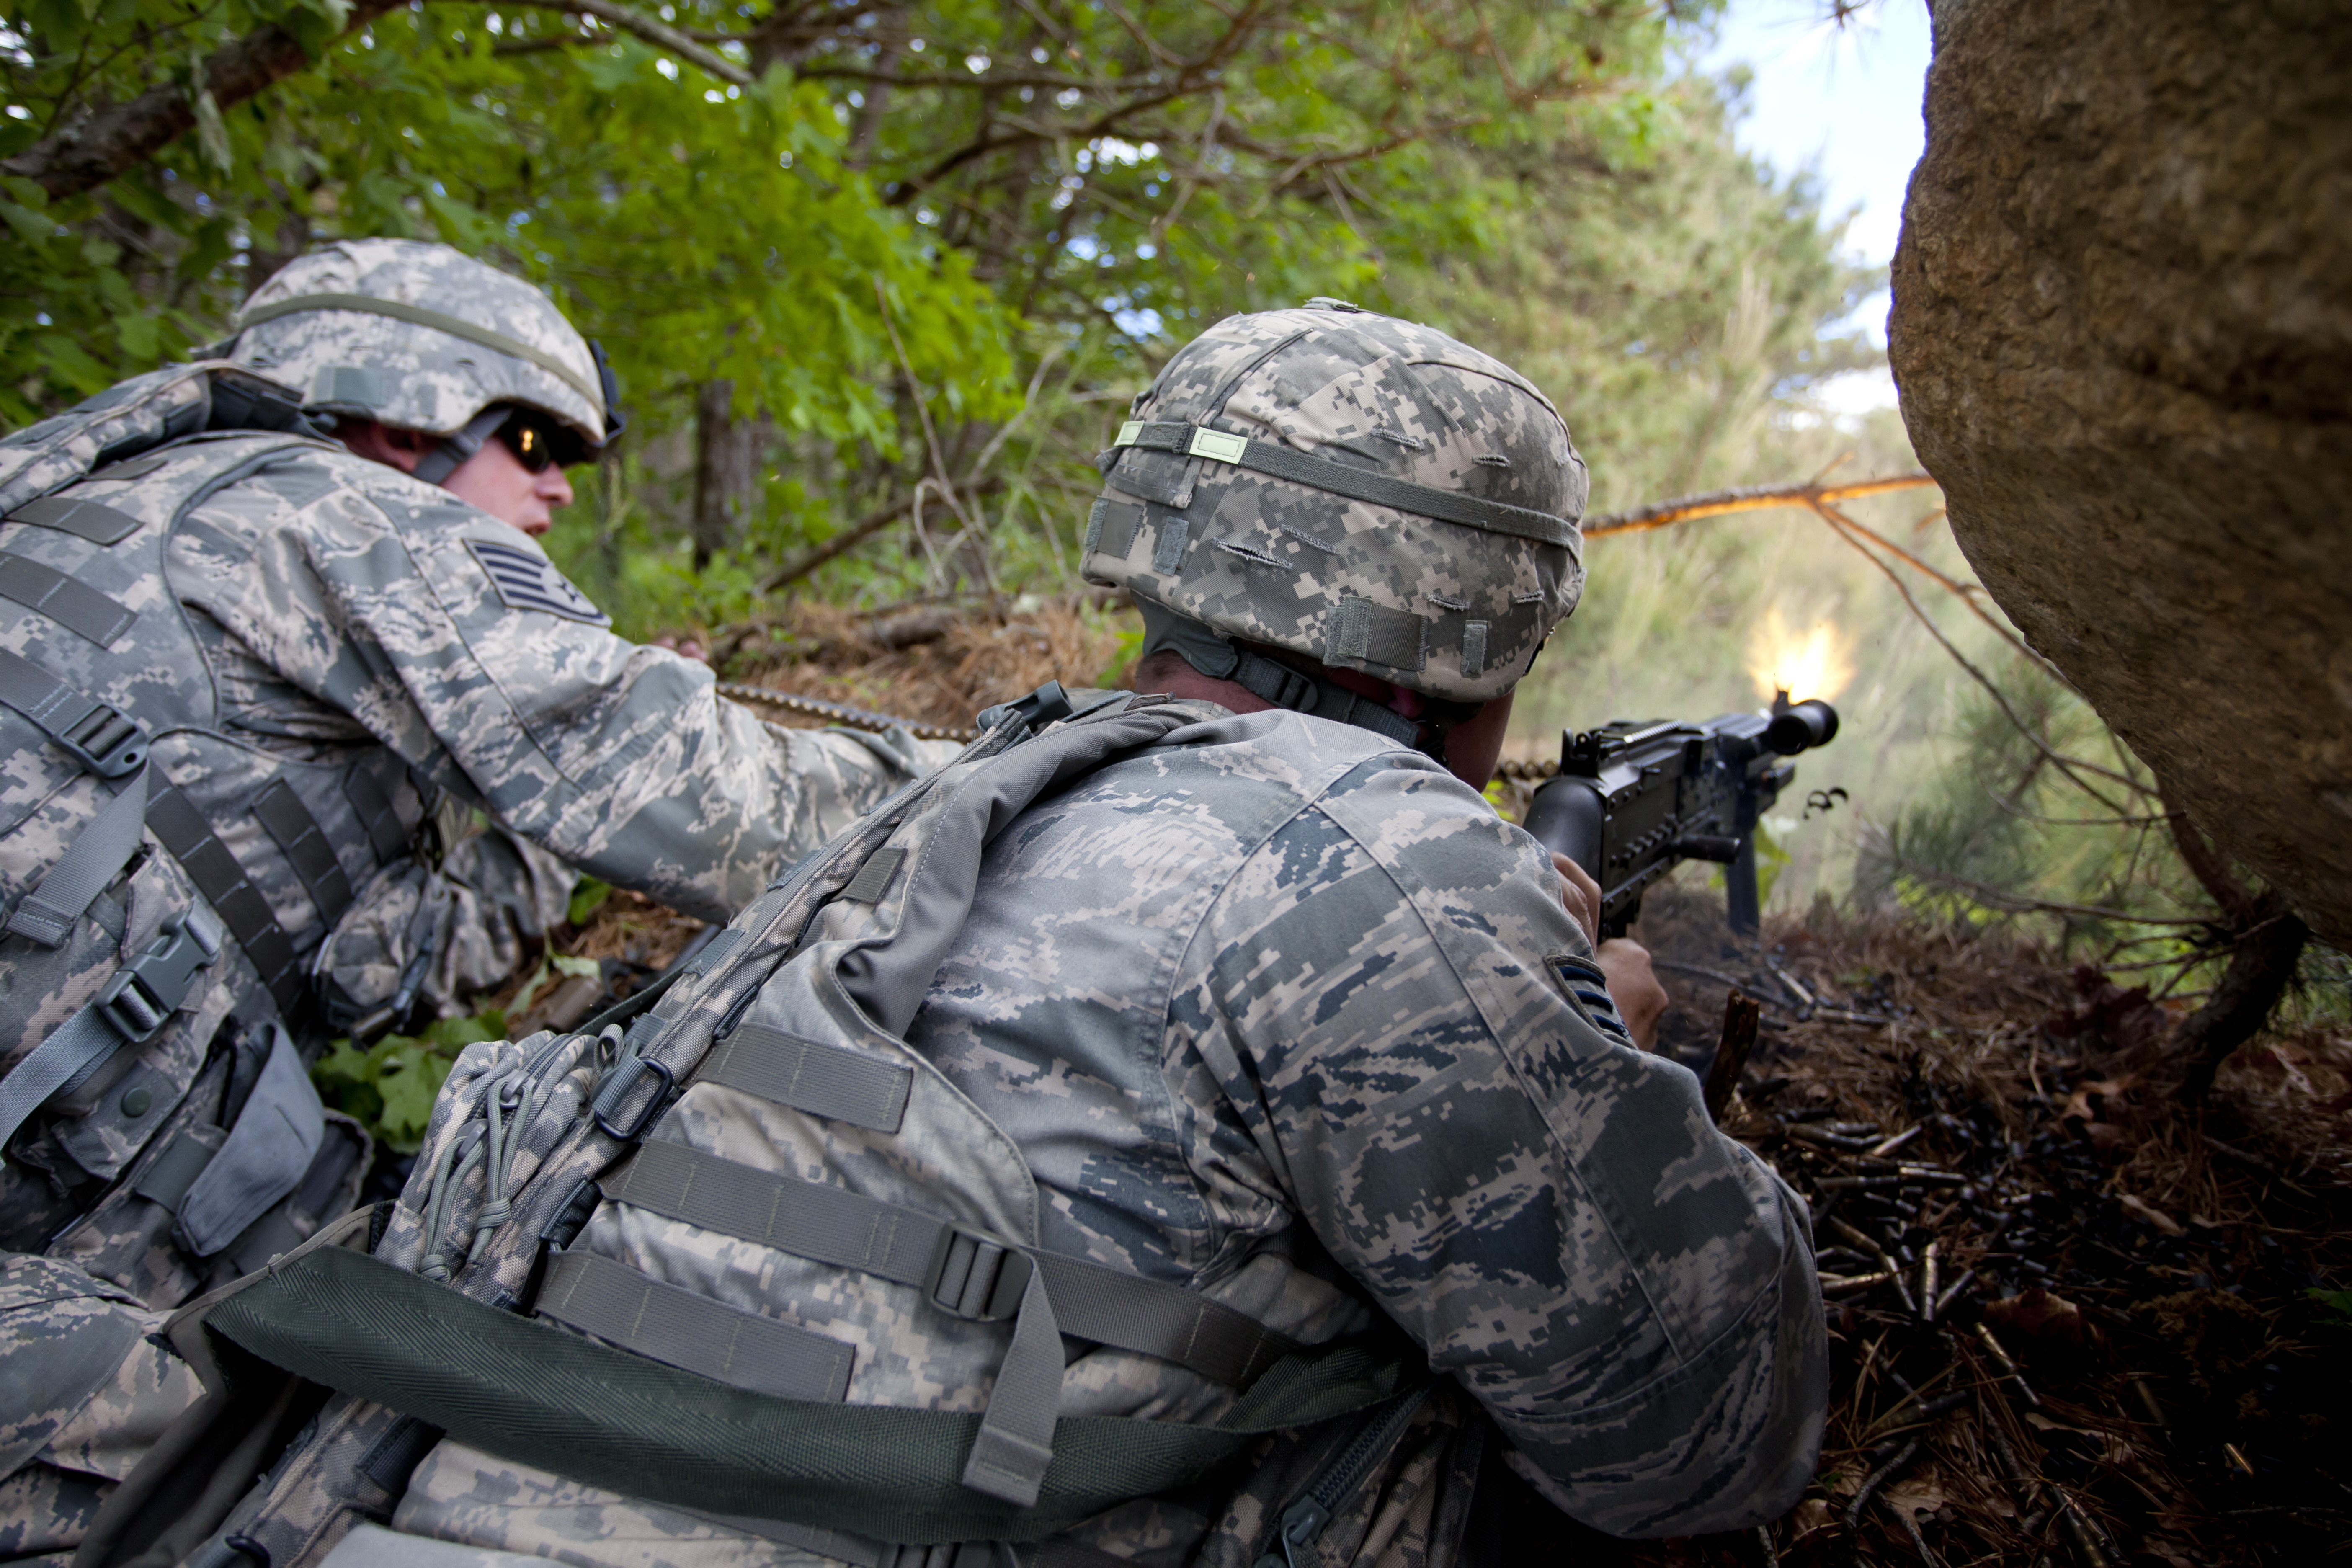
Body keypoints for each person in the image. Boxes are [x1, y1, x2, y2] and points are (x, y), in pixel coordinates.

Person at [230, 300, 1824, 1568]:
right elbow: (1699, 1439)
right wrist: (1598, 1030)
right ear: (1486, 618)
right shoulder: (1386, 874)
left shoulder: (928, 802)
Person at [0, 239, 948, 1558]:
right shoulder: (338, 512)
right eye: (531, 436)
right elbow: (736, 807)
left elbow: (360, 974)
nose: (557, 488)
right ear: (405, 414)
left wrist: (542, 840)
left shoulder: (103, 520)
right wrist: (1010, 771)